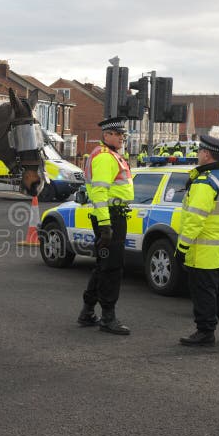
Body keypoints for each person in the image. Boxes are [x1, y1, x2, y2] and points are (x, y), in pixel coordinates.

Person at [177, 135, 219, 346]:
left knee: (203, 291)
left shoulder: (206, 182)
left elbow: (195, 219)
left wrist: (182, 247)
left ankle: (205, 331)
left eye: (199, 152)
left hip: (203, 249)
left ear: (206, 154)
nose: (198, 155)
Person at [76, 117, 133, 335]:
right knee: (111, 268)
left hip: (110, 216)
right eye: (117, 134)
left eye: (122, 135)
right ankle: (108, 318)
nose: (121, 138)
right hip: (110, 218)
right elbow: (99, 193)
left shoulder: (110, 155)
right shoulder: (104, 157)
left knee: (103, 265)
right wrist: (106, 226)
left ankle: (88, 311)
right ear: (106, 135)